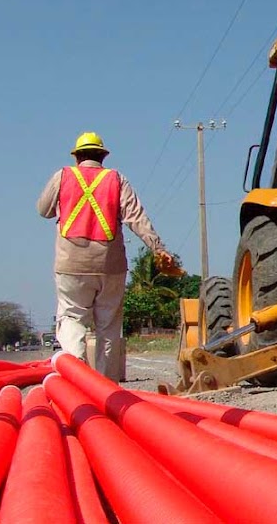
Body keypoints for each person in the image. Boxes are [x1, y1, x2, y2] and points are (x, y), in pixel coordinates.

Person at [37, 132, 183, 382]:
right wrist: (158, 248)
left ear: (77, 157)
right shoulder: (117, 179)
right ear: (102, 156)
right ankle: (106, 387)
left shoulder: (63, 176)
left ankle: (78, 380)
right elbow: (137, 217)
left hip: (71, 264)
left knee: (72, 318)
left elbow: (43, 210)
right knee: (108, 329)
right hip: (110, 266)